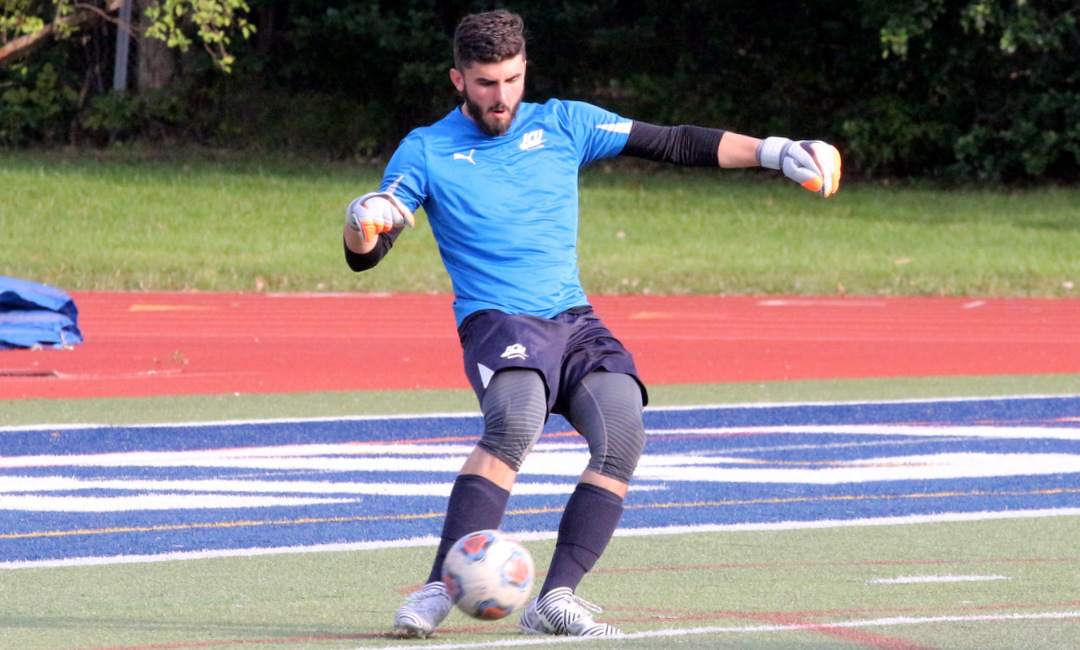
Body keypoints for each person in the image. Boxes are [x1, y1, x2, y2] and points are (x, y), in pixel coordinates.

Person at [343, 9, 841, 639]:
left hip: (573, 318)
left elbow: (676, 141)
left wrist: (775, 152)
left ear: (526, 71)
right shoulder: (426, 148)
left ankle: (555, 598)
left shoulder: (565, 122)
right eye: (487, 83)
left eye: (513, 80)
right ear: (458, 80)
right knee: (517, 418)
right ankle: (439, 588)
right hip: (497, 318)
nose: (502, 97)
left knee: (624, 432)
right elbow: (369, 250)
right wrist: (362, 222)